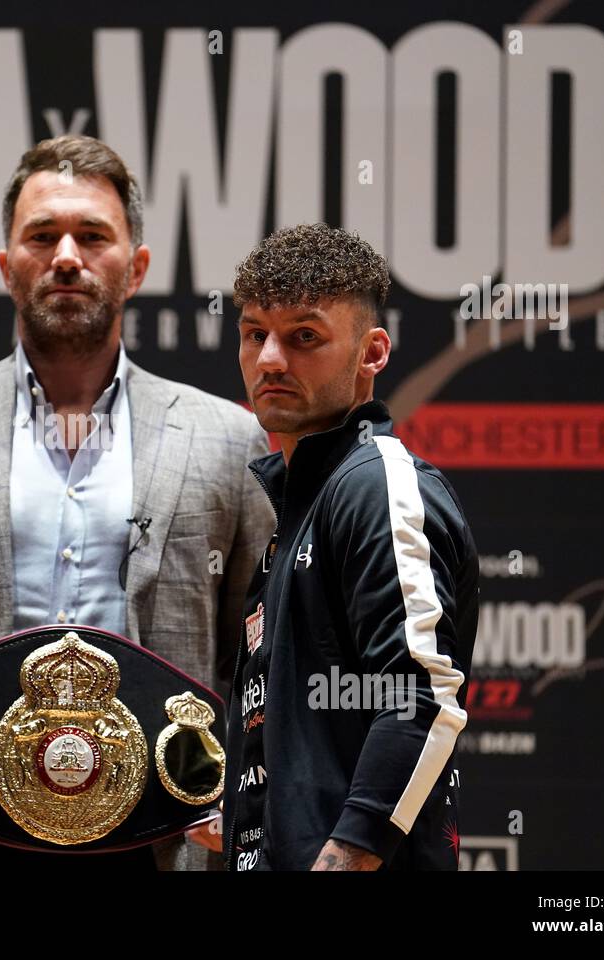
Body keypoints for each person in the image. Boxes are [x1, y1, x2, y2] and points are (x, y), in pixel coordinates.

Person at [0, 135, 274, 870]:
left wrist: (249, 806)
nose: (67, 255)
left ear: (137, 267)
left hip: (161, 844)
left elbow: (262, 662)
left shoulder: (228, 437)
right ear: (7, 266)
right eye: (42, 235)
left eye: (93, 235)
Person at [222, 224, 478, 871]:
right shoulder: (304, 502)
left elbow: (421, 697)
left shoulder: (375, 485)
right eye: (256, 334)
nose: (271, 359)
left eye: (303, 336)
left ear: (373, 353)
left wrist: (348, 853)